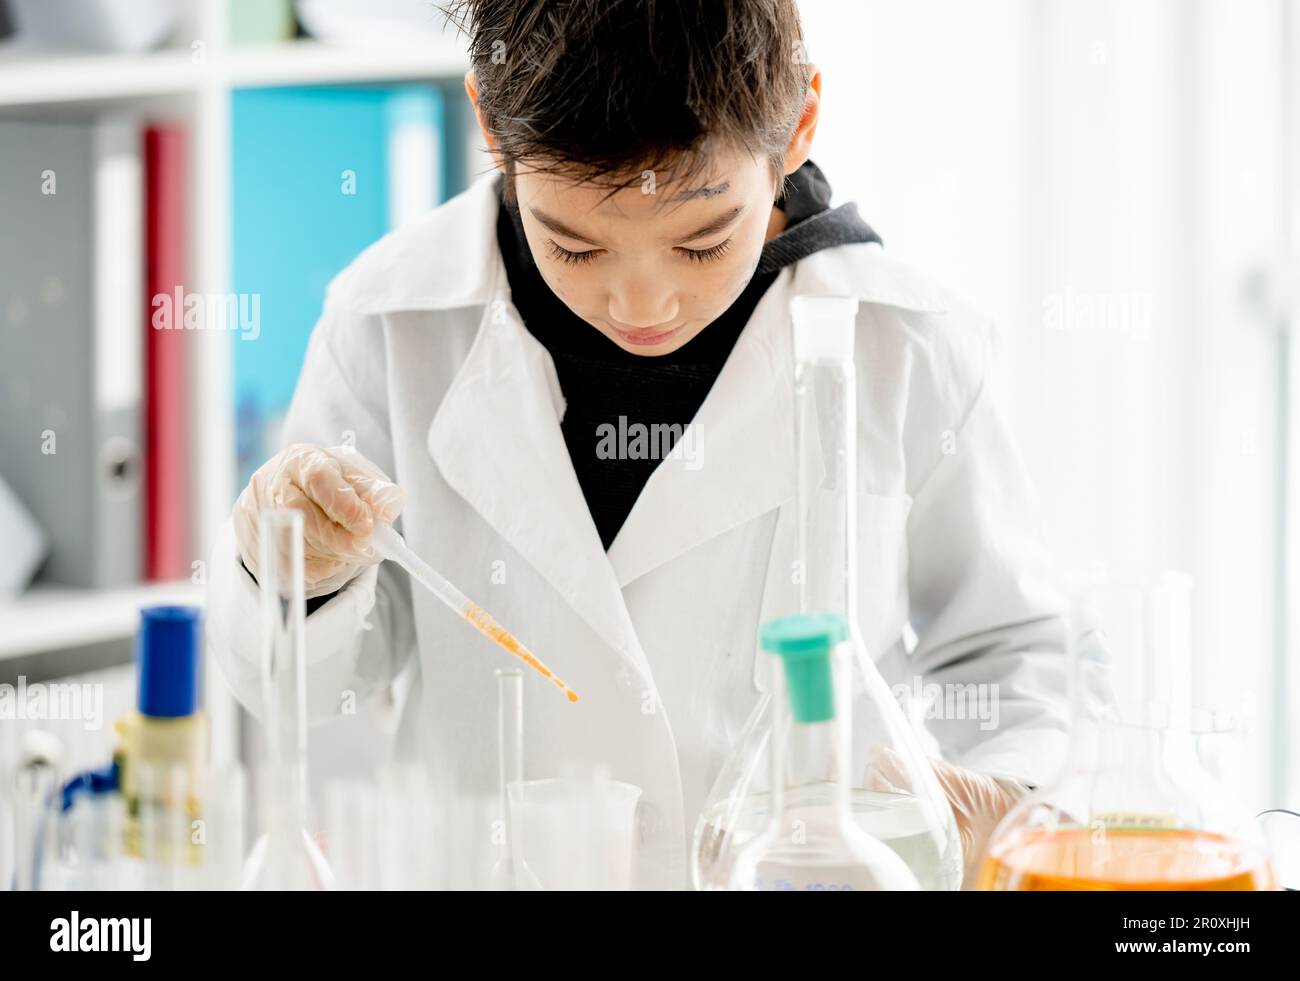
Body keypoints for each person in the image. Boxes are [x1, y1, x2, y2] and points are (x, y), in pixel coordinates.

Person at [208, 0, 1070, 889]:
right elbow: (305, 688)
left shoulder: (907, 343)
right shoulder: (388, 323)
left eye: (702, 241)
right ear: (490, 131)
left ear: (801, 123)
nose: (641, 306)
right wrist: (297, 568)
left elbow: (1015, 655)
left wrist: (1003, 802)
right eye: (573, 247)